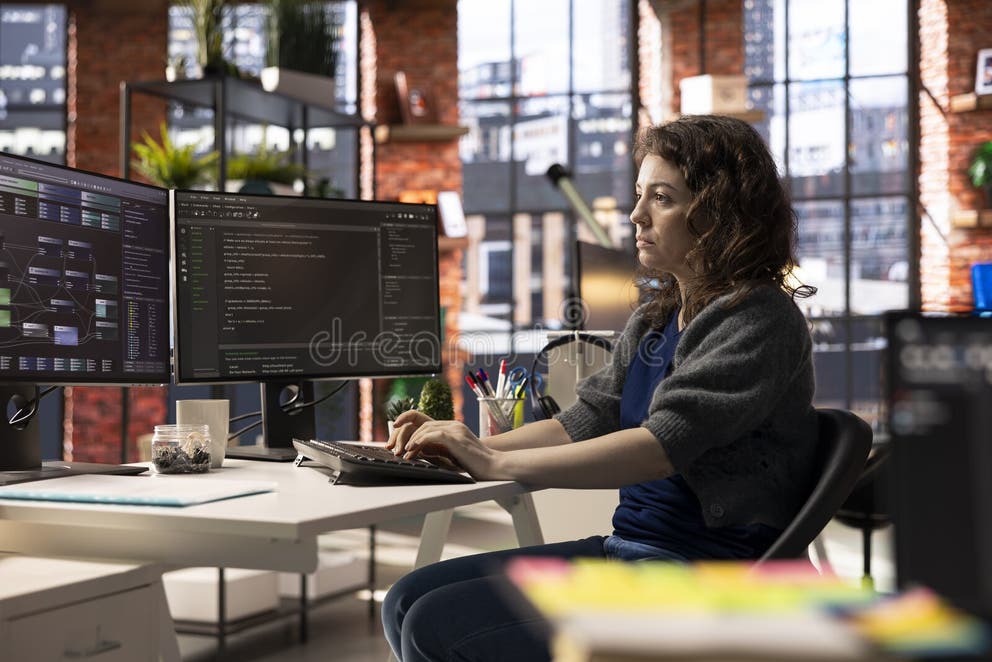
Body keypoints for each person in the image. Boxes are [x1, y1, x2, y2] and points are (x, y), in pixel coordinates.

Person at [382, 114, 819, 662]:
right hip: (630, 549)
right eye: (640, 194)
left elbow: (660, 448)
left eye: (662, 198)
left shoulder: (758, 318)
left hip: (700, 569)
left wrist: (497, 465)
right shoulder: (659, 315)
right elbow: (586, 419)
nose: (637, 215)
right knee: (404, 600)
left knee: (435, 624)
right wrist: (464, 445)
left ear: (721, 213)